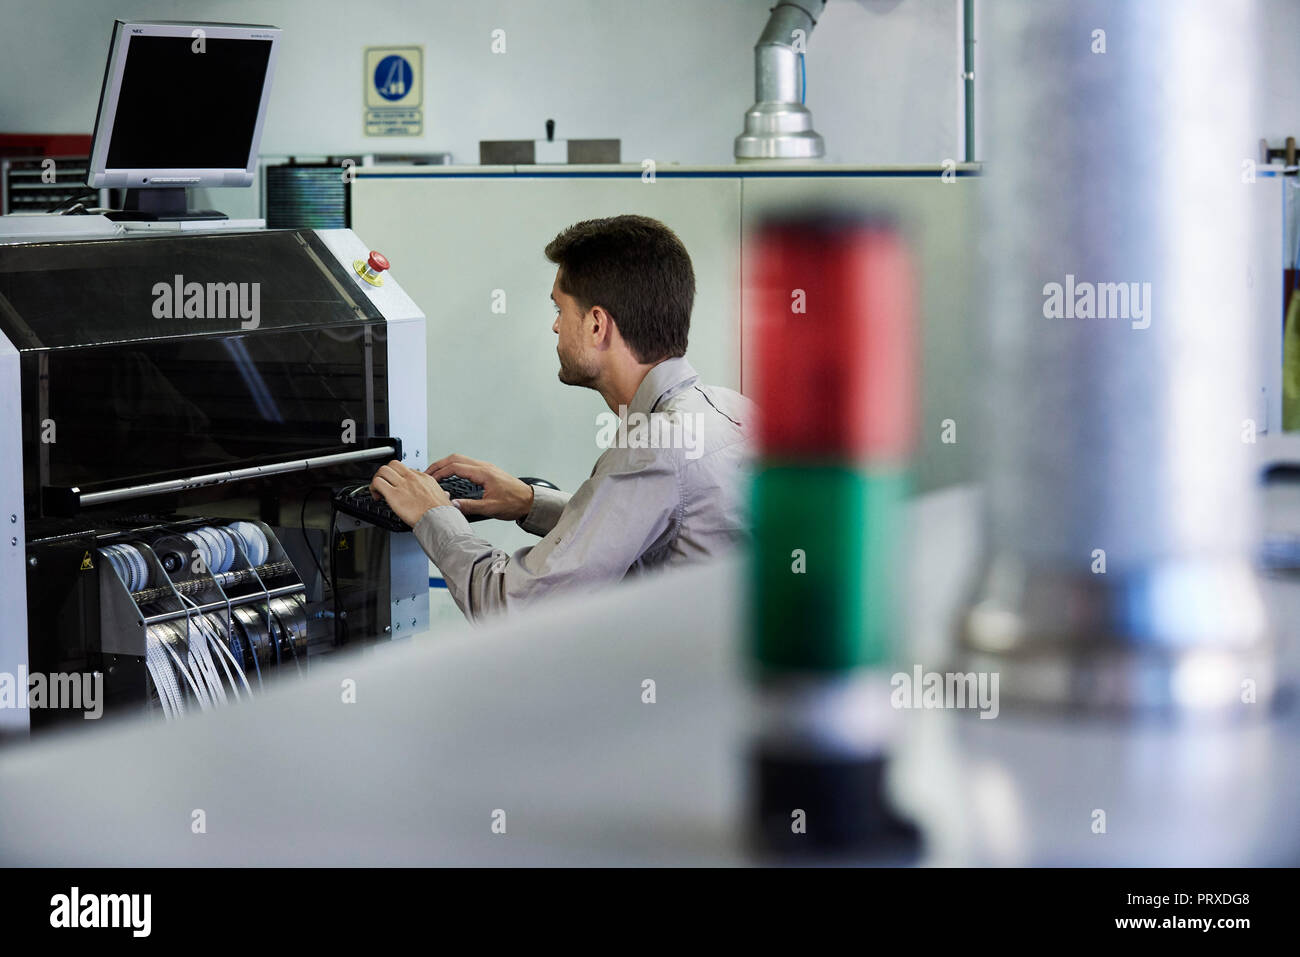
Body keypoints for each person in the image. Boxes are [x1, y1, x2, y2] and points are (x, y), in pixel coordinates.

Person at [369, 214, 754, 621]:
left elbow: (512, 606)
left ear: (596, 325)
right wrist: (529, 502)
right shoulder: (730, 410)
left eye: (560, 308)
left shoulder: (654, 448)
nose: (555, 326)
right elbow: (644, 533)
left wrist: (433, 514)